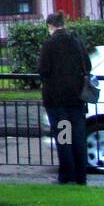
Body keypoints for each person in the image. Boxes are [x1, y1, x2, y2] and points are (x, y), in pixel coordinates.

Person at [37, 12, 91, 184]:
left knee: (64, 138)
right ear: (64, 24)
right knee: (78, 138)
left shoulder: (50, 44)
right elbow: (87, 65)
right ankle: (80, 176)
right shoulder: (76, 42)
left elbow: (43, 70)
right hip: (77, 99)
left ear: (50, 26)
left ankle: (67, 176)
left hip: (57, 101)